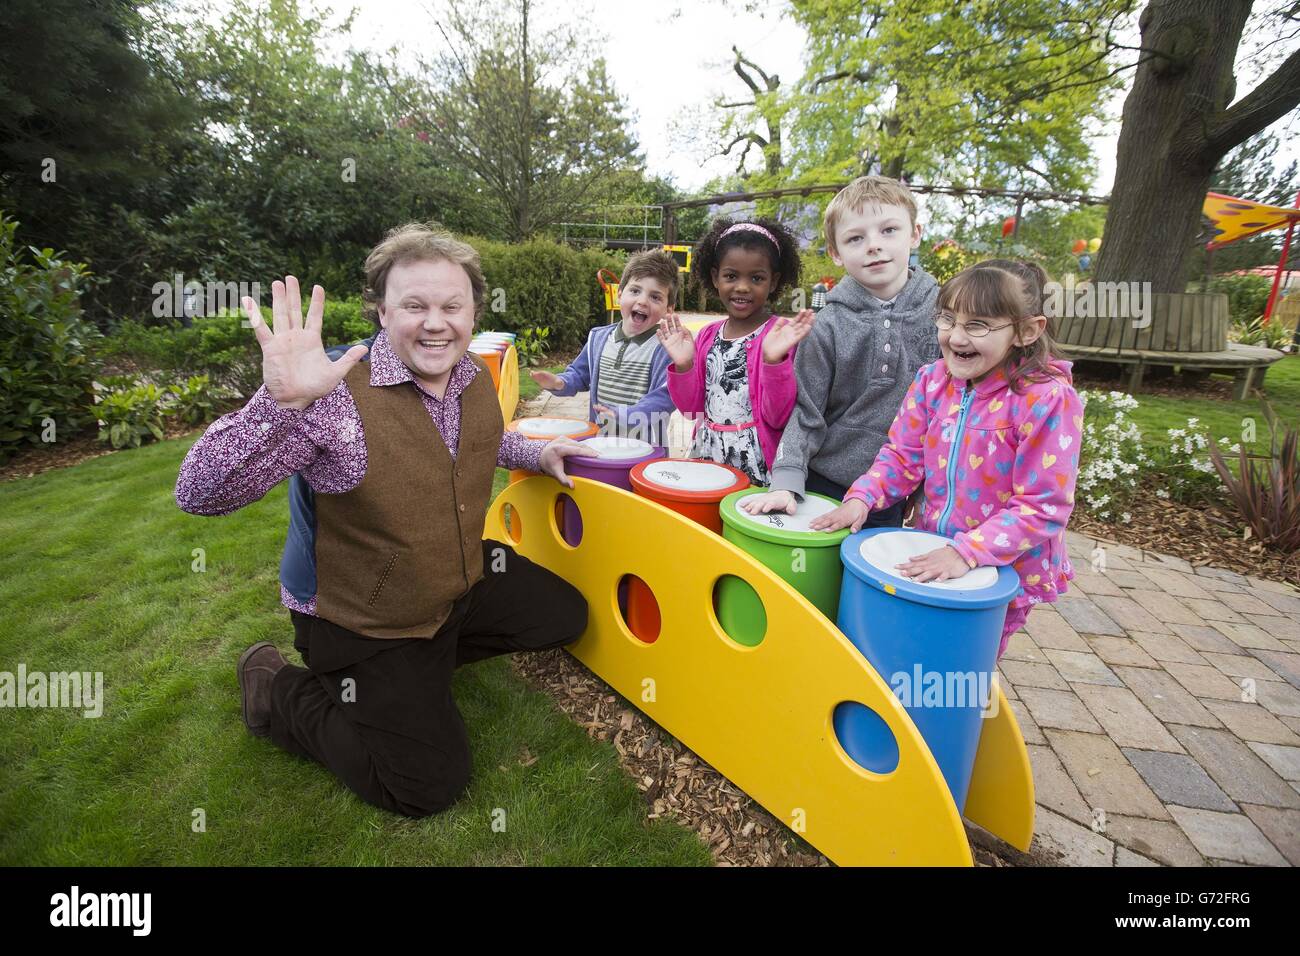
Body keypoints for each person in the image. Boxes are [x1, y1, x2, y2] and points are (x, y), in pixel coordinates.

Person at [175, 223, 591, 817]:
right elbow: (199, 493)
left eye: (452, 305)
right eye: (413, 305)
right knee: (426, 788)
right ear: (380, 311)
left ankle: (414, 677)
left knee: (561, 614)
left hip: (454, 585)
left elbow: (475, 441)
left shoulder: (474, 376)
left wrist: (535, 453)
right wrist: (281, 407)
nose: (435, 322)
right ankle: (280, 689)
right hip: (363, 620)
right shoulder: (336, 398)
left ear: (475, 311)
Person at [810, 260, 1084, 657]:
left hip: (1003, 572)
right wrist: (863, 496)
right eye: (948, 319)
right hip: (935, 550)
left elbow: (1044, 505)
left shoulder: (1046, 400)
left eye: (978, 325)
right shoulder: (932, 382)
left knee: (961, 663)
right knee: (916, 649)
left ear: (1027, 331)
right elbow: (903, 456)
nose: (956, 336)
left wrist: (967, 551)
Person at [741, 175, 940, 516]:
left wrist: (928, 487)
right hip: (825, 480)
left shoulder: (944, 316)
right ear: (836, 252)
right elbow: (806, 410)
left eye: (889, 230)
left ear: (915, 234)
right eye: (855, 238)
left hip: (893, 486)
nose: (873, 245)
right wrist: (787, 482)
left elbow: (948, 411)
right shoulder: (827, 325)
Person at [656, 217, 814, 486]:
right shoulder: (707, 334)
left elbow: (778, 418)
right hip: (707, 455)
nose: (742, 287)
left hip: (756, 463)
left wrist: (773, 361)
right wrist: (683, 365)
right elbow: (692, 410)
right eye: (731, 276)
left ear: (773, 282)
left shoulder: (780, 336)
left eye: (756, 278)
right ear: (715, 277)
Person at [529, 249, 679, 446]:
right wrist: (559, 382)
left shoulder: (666, 349)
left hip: (644, 449)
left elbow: (664, 399)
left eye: (655, 297)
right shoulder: (598, 338)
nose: (642, 301)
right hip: (599, 443)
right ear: (619, 294)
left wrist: (623, 415)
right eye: (635, 291)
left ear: (669, 309)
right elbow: (580, 374)